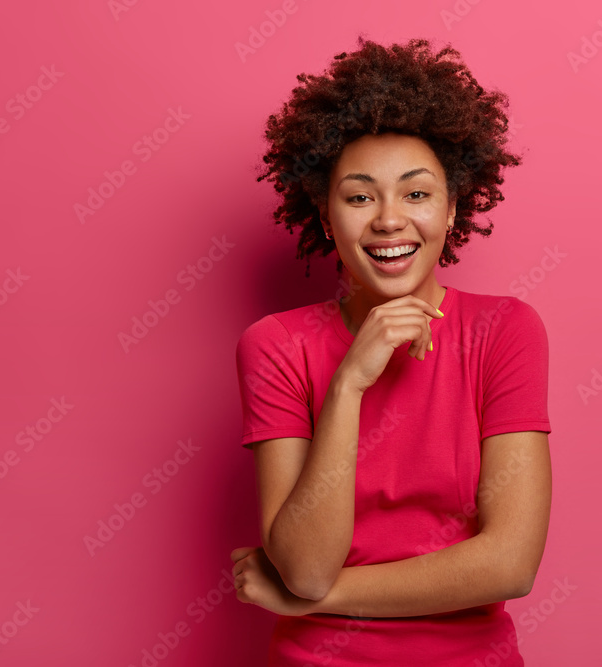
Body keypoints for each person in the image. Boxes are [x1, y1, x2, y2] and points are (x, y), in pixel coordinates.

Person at [231, 36, 552, 666]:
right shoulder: (276, 346)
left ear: (454, 208)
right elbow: (304, 564)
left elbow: (510, 563)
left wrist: (312, 598)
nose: (387, 220)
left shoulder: (505, 331)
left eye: (416, 193)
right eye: (358, 197)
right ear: (326, 217)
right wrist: (349, 382)